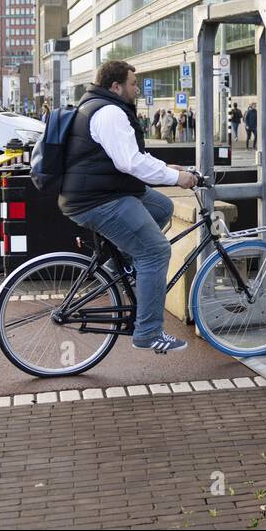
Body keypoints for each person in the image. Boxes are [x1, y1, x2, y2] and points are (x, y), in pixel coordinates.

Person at [58, 60, 198, 353]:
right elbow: (130, 162)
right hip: (98, 199)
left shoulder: (98, 105)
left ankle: (114, 269)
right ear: (116, 86)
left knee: (161, 207)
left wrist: (165, 166)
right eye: (133, 84)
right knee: (156, 251)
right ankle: (148, 333)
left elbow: (131, 156)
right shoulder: (109, 112)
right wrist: (177, 177)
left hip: (103, 190)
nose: (137, 89)